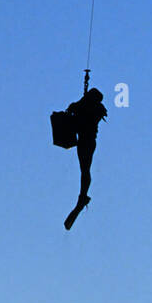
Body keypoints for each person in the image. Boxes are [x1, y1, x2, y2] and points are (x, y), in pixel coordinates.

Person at [63, 87, 107, 228]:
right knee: (85, 170)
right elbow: (74, 110)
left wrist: (82, 101)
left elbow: (75, 110)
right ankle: (82, 196)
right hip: (85, 141)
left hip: (86, 141)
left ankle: (83, 196)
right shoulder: (90, 107)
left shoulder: (90, 108)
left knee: (85, 169)